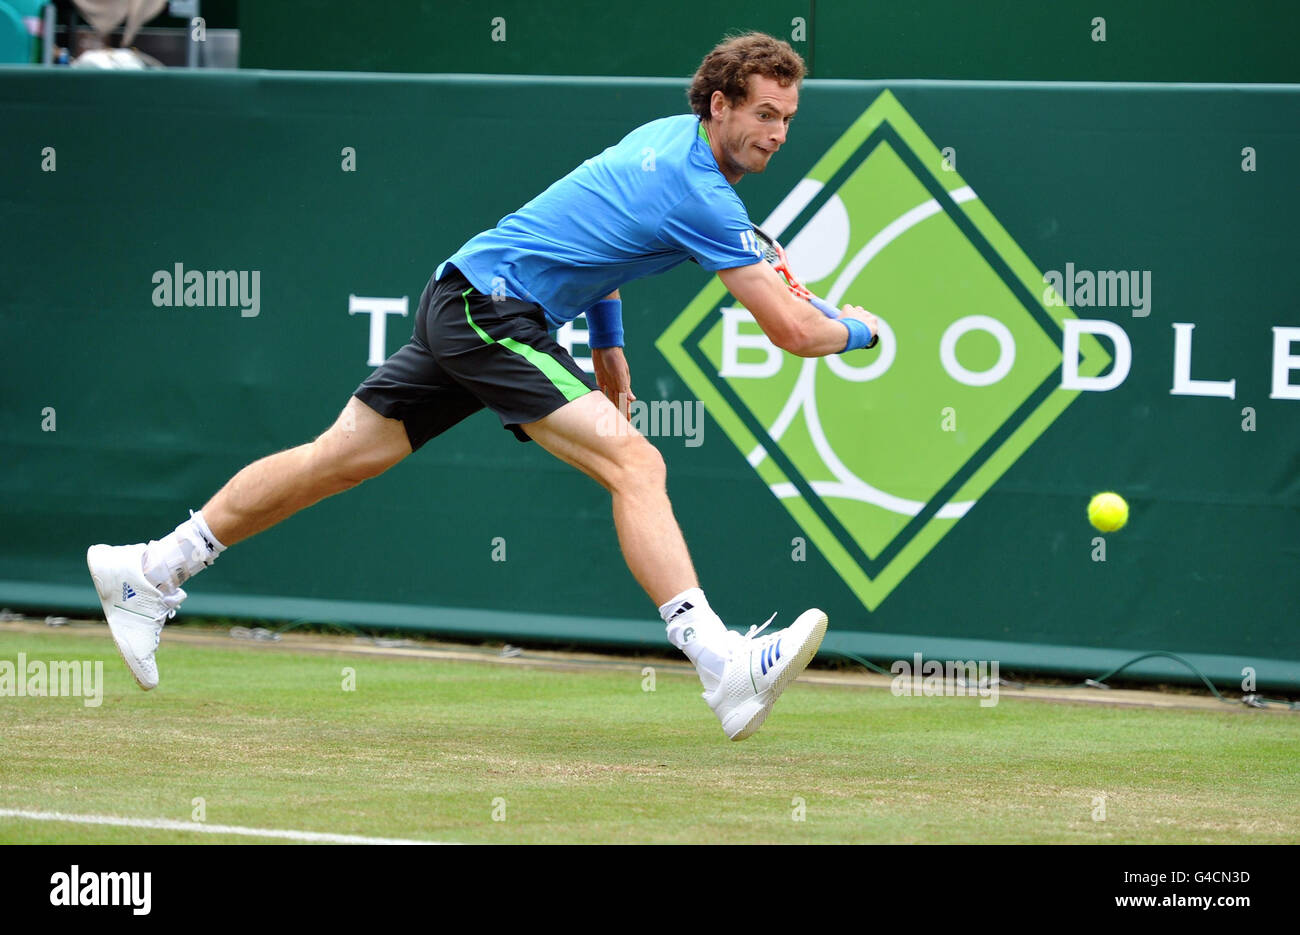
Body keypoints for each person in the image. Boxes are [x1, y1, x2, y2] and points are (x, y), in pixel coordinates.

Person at [87, 32, 879, 741]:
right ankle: (720, 664)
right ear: (719, 103)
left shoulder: (665, 142)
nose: (777, 134)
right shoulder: (703, 194)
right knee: (636, 464)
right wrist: (865, 329)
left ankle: (151, 568)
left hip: (462, 294)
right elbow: (794, 330)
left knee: (340, 457)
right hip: (490, 308)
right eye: (766, 114)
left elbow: (600, 243)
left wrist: (610, 354)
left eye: (787, 119)